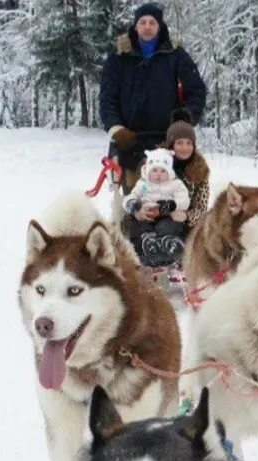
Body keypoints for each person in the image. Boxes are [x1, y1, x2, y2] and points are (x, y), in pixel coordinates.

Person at [99, 3, 206, 190]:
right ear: (135, 26)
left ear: (159, 26)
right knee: (133, 202)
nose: (147, 26)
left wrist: (183, 122)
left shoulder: (176, 54)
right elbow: (107, 98)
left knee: (172, 198)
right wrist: (116, 130)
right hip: (130, 142)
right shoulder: (118, 58)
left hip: (167, 140)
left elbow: (197, 90)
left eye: (152, 22)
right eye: (142, 22)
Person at [122, 149, 190, 266]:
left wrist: (171, 205)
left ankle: (171, 244)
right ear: (148, 171)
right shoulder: (143, 184)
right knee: (138, 228)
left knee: (169, 227)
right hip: (146, 216)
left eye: (163, 171)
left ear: (170, 171)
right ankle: (147, 245)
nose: (158, 174)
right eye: (154, 170)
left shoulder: (175, 184)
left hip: (167, 215)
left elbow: (184, 200)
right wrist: (133, 204)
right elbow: (132, 196)